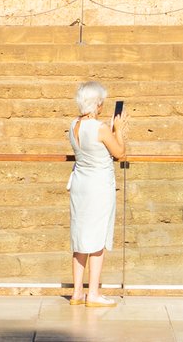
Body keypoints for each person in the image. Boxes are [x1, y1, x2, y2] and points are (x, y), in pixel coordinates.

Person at [67, 81, 126, 306]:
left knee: (80, 237)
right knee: (97, 238)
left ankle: (76, 292)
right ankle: (92, 293)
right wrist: (118, 130)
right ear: (97, 103)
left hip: (80, 184)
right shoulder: (100, 128)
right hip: (99, 185)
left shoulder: (73, 125)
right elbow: (119, 153)